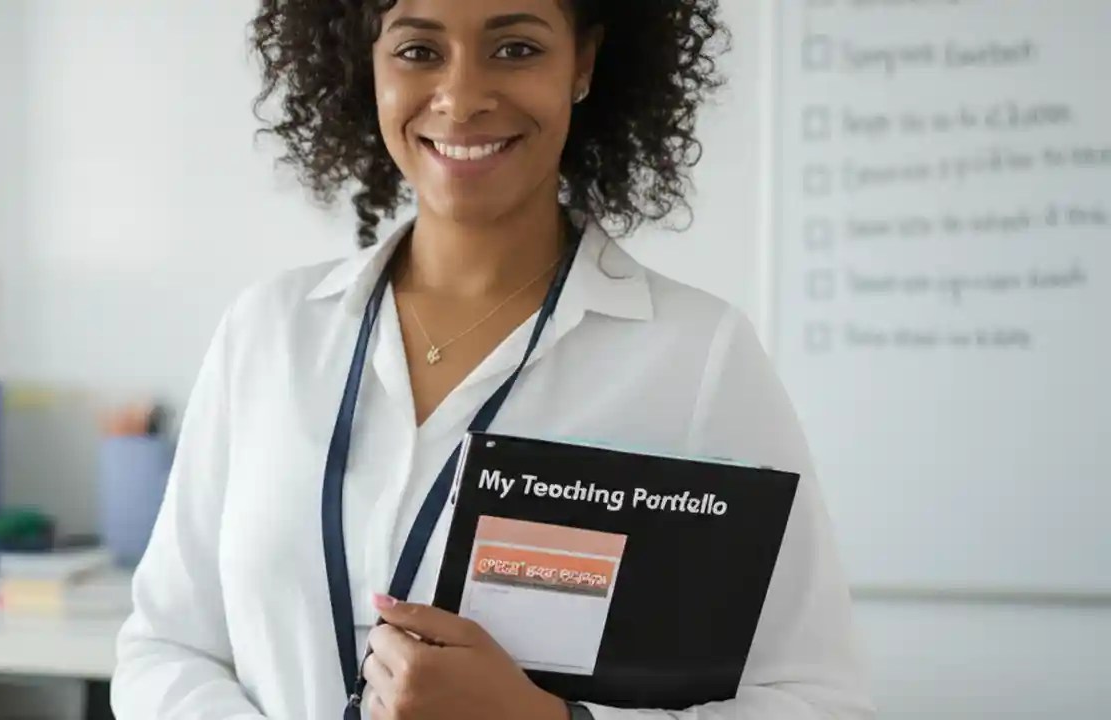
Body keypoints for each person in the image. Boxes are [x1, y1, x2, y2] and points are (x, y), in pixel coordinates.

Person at [112, 0, 875, 718]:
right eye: (418, 49)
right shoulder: (270, 333)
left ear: (583, 63)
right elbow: (164, 646)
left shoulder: (696, 356)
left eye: (516, 48)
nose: (462, 95)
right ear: (366, 64)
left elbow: (816, 699)